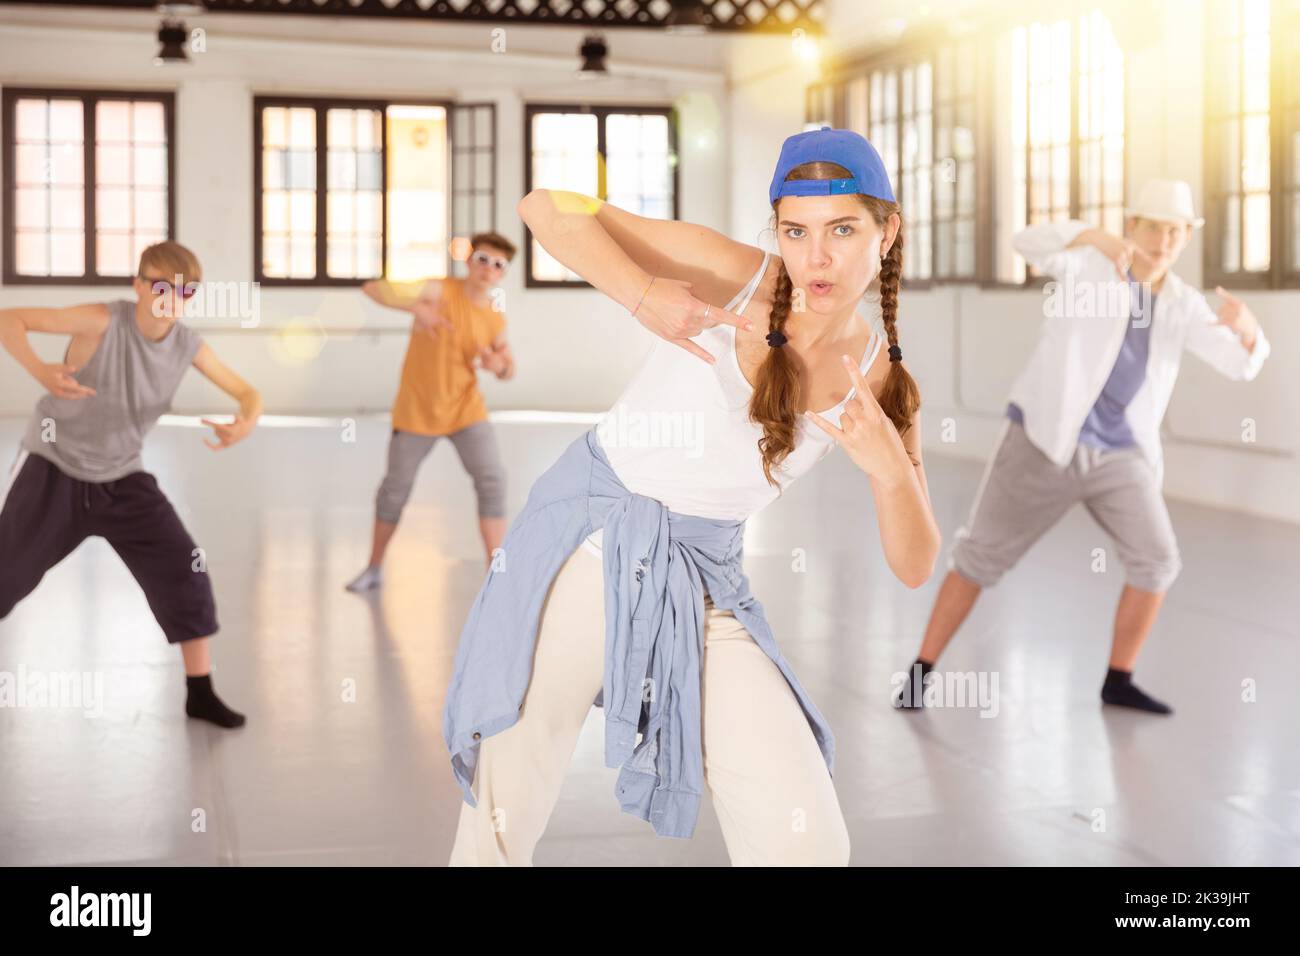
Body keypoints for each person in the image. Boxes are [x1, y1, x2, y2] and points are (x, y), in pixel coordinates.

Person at [443, 127, 941, 866]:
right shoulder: (738, 275)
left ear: (888, 230)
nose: (818, 257)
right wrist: (643, 296)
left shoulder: (885, 381)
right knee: (503, 814)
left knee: (805, 835)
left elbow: (914, 564)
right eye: (796, 231)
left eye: (844, 229)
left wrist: (890, 470)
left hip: (702, 584)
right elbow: (547, 206)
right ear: (775, 229)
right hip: (585, 542)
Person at [896, 179, 1271, 716]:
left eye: (1175, 230)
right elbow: (1029, 242)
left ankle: (1118, 680)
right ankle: (920, 671)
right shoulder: (1091, 269)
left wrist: (1251, 332)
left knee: (1158, 561)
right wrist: (1093, 236)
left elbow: (1239, 363)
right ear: (1132, 227)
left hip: (1121, 455)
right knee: (979, 556)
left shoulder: (1183, 305)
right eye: (1153, 227)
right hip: (1044, 441)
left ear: (1186, 237)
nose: (1164, 240)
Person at [0, 241, 261, 728]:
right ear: (139, 286)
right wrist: (41, 370)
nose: (172, 298)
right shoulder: (101, 320)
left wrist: (244, 421)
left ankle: (199, 694)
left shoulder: (187, 345)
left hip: (122, 474)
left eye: (185, 290)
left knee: (187, 571)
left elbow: (249, 391)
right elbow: (8, 318)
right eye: (160, 286)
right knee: (4, 577)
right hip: (54, 465)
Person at [345, 233, 517, 590]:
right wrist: (416, 308)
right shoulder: (437, 290)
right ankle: (374, 567)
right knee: (395, 488)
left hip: (466, 411)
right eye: (483, 259)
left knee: (492, 481)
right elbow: (373, 289)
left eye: (498, 265)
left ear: (503, 275)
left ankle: (496, 573)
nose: (488, 270)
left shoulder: (494, 318)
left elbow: (508, 369)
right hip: (417, 410)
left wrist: (495, 363)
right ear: (469, 261)